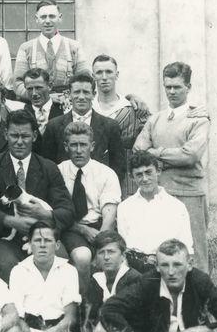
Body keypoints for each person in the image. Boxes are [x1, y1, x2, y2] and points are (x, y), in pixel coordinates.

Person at [98, 238, 217, 332]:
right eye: (164, 265)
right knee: (101, 330)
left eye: (177, 265)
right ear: (157, 266)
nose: (171, 272)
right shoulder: (148, 282)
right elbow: (109, 309)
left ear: (189, 265)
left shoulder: (199, 281)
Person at [0, 109, 75, 280]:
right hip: (3, 238)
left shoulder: (49, 167)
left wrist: (45, 214)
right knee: (8, 266)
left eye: (25, 136)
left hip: (42, 235)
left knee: (60, 263)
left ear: (35, 136)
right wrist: (13, 222)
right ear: (6, 135)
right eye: (14, 136)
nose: (20, 142)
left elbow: (67, 210)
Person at [132, 62, 210, 269]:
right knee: (161, 247)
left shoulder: (199, 118)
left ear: (188, 87)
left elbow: (190, 155)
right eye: (168, 87)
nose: (172, 91)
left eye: (177, 87)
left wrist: (156, 153)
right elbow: (139, 149)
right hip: (160, 191)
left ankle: (199, 296)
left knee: (194, 250)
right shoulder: (156, 119)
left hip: (188, 192)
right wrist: (170, 155)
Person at [55, 121, 122, 275]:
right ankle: (82, 299)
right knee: (82, 256)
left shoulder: (106, 173)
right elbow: (56, 212)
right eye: (74, 145)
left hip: (101, 228)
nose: (79, 150)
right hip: (70, 227)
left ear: (92, 146)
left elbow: (109, 215)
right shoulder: (58, 172)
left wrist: (101, 243)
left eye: (83, 145)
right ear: (66, 147)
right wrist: (83, 229)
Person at [116, 150, 195, 271]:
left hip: (167, 268)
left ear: (158, 171)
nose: (145, 179)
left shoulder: (176, 206)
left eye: (148, 172)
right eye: (139, 175)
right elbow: (124, 248)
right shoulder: (125, 207)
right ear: (132, 177)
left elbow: (186, 248)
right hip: (135, 268)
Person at [40, 73, 126, 181]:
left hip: (99, 189)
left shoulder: (110, 126)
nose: (81, 97)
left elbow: (118, 166)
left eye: (86, 92)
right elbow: (47, 164)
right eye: (76, 92)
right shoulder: (54, 125)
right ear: (69, 94)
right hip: (64, 189)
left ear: (94, 94)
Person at [8, 223, 81, 332]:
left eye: (47, 240)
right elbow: (17, 315)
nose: (42, 245)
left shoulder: (69, 270)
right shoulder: (18, 271)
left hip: (59, 330)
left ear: (57, 245)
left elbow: (70, 317)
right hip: (28, 329)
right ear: (30, 244)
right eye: (37, 240)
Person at [90, 54, 150, 193]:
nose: (104, 77)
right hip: (92, 179)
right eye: (99, 72)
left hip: (125, 180)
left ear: (116, 75)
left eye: (109, 72)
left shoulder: (134, 108)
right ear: (93, 76)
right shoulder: (87, 108)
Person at [12, 0, 89, 99]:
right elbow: (18, 84)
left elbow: (86, 80)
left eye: (52, 16)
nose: (47, 21)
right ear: (36, 19)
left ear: (60, 18)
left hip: (67, 106)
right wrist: (43, 97)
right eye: (43, 17)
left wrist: (68, 97)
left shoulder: (74, 47)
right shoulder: (26, 48)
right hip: (36, 108)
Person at [84, 230, 143, 332]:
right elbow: (91, 317)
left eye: (111, 252)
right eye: (101, 252)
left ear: (123, 256)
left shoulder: (133, 278)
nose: (106, 257)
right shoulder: (97, 279)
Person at [21, 67, 64, 132]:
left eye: (38, 88)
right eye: (29, 89)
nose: (34, 93)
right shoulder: (23, 114)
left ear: (49, 86)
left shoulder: (63, 110)